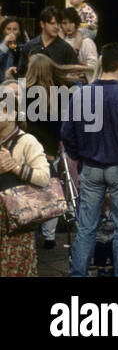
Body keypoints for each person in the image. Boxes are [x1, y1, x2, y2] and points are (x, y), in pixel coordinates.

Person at [62, 43, 118, 277]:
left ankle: (78, 273)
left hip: (90, 165)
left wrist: (78, 156)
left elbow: (67, 132)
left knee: (86, 228)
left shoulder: (81, 95)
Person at [22, 53, 82, 248]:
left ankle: (32, 232)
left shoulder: (27, 92)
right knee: (52, 190)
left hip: (31, 149)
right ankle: (50, 236)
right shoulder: (60, 93)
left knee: (30, 193)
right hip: (52, 149)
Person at [0, 81, 52, 276]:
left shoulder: (27, 141)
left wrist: (16, 168)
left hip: (17, 226)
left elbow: (44, 177)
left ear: (13, 114)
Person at [17, 6, 78, 73]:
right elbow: (21, 73)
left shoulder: (66, 49)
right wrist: (21, 83)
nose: (56, 27)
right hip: (31, 83)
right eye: (52, 23)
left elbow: (74, 76)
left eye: (58, 24)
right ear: (42, 24)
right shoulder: (29, 46)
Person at [59, 7, 97, 71]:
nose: (68, 26)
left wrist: (77, 62)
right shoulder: (61, 41)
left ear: (76, 23)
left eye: (71, 22)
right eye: (64, 23)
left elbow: (94, 67)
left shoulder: (87, 42)